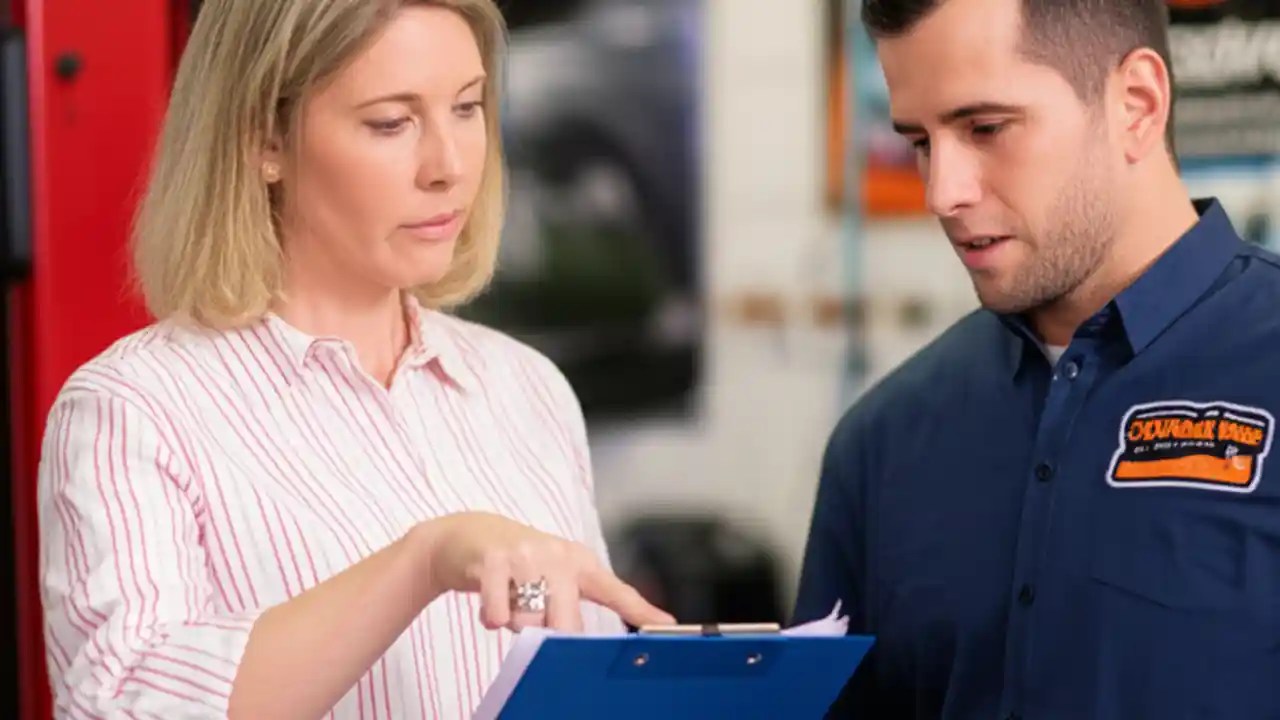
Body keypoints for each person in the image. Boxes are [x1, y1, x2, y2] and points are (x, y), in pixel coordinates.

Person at [36, 1, 674, 718]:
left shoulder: (526, 389)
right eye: (391, 123)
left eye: (467, 108)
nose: (449, 166)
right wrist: (422, 564)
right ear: (263, 139)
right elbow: (121, 706)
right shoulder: (136, 411)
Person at [794, 0, 1280, 718]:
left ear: (1136, 105)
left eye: (985, 128)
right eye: (920, 142)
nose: (943, 193)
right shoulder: (881, 443)